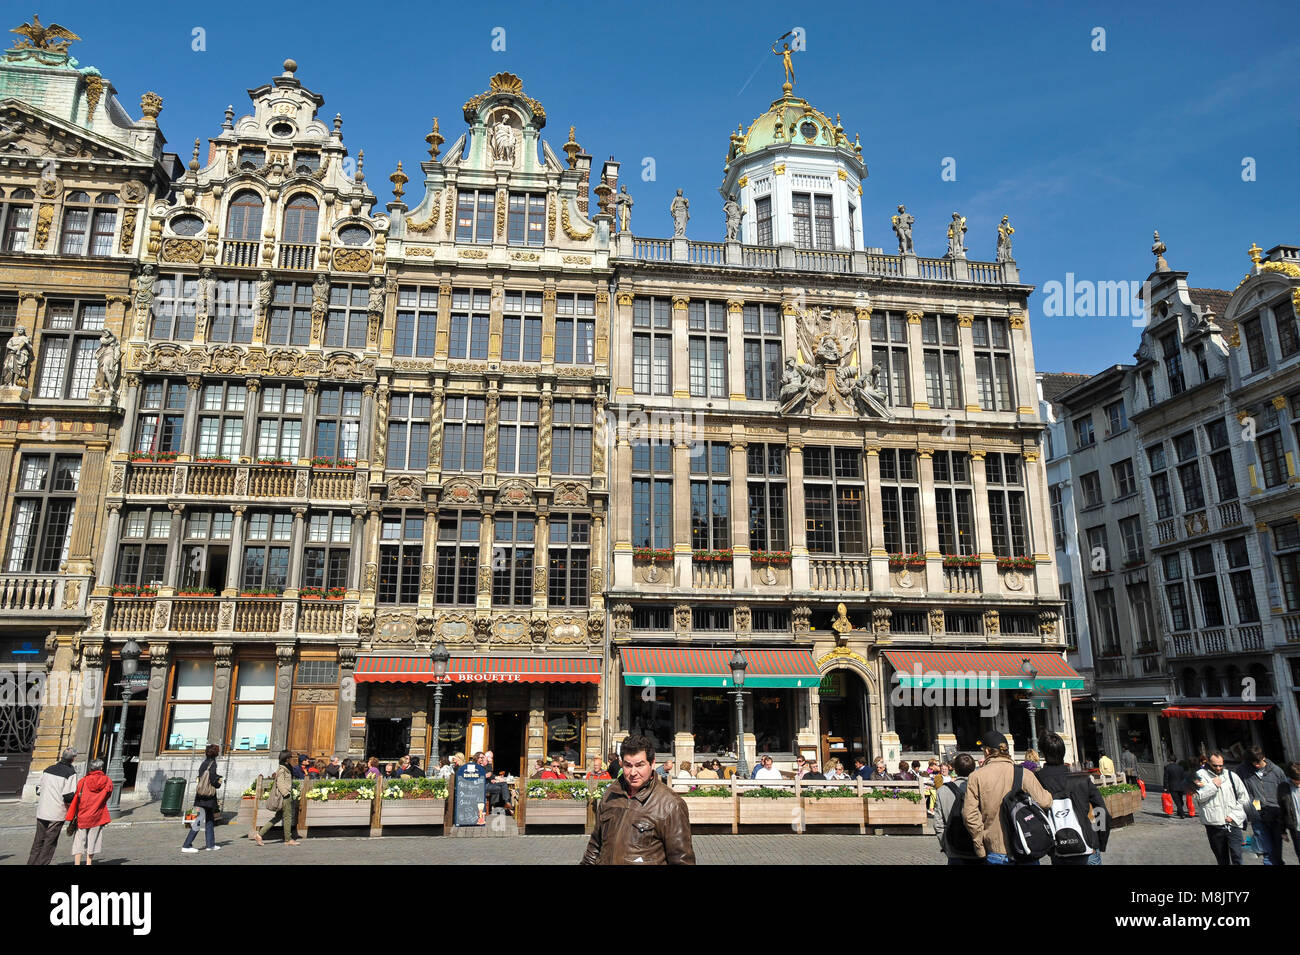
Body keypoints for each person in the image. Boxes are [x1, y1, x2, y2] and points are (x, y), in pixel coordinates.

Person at [582, 734, 695, 865]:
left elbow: (681, 860)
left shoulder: (670, 805)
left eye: (640, 765)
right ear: (621, 764)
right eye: (628, 765)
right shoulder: (611, 794)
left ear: (652, 764)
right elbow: (595, 847)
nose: (633, 772)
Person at [962, 732, 1053, 864]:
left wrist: (980, 847)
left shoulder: (976, 777)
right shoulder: (1024, 773)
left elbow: (969, 816)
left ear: (987, 751)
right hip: (1026, 846)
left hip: (996, 849)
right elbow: (1045, 801)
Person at [1034, 732, 1107, 865]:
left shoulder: (1037, 779)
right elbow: (1102, 811)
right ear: (1063, 751)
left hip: (1059, 848)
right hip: (1088, 845)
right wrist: (1098, 840)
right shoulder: (1081, 778)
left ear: (1043, 754)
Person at [1192, 751, 1250, 865]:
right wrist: (1213, 786)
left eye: (1221, 765)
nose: (1218, 768)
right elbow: (1197, 797)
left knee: (1237, 857)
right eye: (1215, 765)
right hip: (1214, 825)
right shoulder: (1199, 775)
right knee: (1222, 859)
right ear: (1208, 762)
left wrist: (1234, 815)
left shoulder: (1231, 776)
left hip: (1233, 823)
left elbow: (1244, 798)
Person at [1237, 746, 1288, 865]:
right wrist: (1257, 808)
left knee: (1276, 848)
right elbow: (1244, 793)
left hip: (1276, 814)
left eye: (1258, 762)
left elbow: (1284, 793)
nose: (1256, 765)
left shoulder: (1276, 771)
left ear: (1263, 758)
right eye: (1253, 763)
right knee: (1266, 850)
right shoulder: (1242, 771)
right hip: (1258, 815)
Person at [28, 746, 78, 865]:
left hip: (42, 810)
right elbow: (68, 796)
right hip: (56, 812)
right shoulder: (70, 773)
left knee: (38, 841)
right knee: (49, 843)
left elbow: (38, 789)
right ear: (73, 759)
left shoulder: (48, 769)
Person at [935, 753, 981, 865]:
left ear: (954, 769)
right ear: (974, 769)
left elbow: (938, 824)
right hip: (978, 848)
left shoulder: (942, 791)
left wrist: (946, 845)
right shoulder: (981, 788)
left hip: (954, 848)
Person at [66, 758, 113, 866]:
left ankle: (77, 864)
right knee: (93, 840)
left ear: (90, 768)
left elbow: (77, 796)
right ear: (101, 768)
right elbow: (108, 795)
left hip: (83, 815)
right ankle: (89, 863)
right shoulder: (107, 781)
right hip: (98, 815)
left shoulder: (83, 781)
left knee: (79, 841)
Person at [253, 751, 300, 846]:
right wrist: (286, 793)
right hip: (284, 797)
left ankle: (259, 834)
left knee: (278, 817)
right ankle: (288, 839)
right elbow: (280, 783)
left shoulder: (286, 768)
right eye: (290, 757)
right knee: (287, 817)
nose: (291, 758)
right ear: (287, 759)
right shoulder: (282, 769)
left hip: (285, 796)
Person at [182, 743, 223, 853]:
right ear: (215, 753)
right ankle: (186, 845)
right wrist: (220, 781)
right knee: (200, 820)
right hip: (207, 797)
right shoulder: (213, 764)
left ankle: (210, 844)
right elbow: (214, 780)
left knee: (210, 819)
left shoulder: (204, 763)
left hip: (201, 796)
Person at [1282, 762, 1300, 864]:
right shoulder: (1284, 787)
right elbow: (1283, 810)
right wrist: (1283, 830)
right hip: (1296, 828)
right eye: (1296, 780)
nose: (1298, 783)